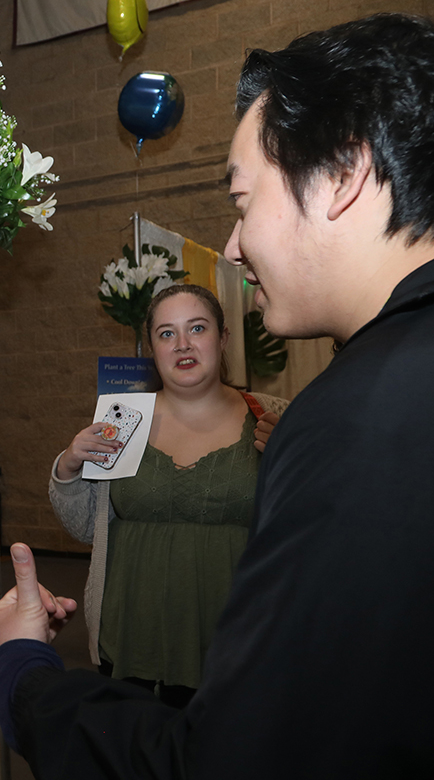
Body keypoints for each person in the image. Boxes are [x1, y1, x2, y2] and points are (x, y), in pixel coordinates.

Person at [0, 12, 434, 780]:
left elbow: (238, 769)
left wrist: (28, 674)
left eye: (243, 200)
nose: (234, 248)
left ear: (344, 175)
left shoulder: (377, 413)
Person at [50, 283, 287, 707]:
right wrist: (68, 468)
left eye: (197, 328)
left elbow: (313, 530)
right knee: (135, 764)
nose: (182, 345)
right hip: (130, 640)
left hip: (237, 640)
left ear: (223, 337)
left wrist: (295, 463)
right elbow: (87, 529)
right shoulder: (122, 421)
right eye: (166, 333)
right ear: (151, 348)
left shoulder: (274, 417)